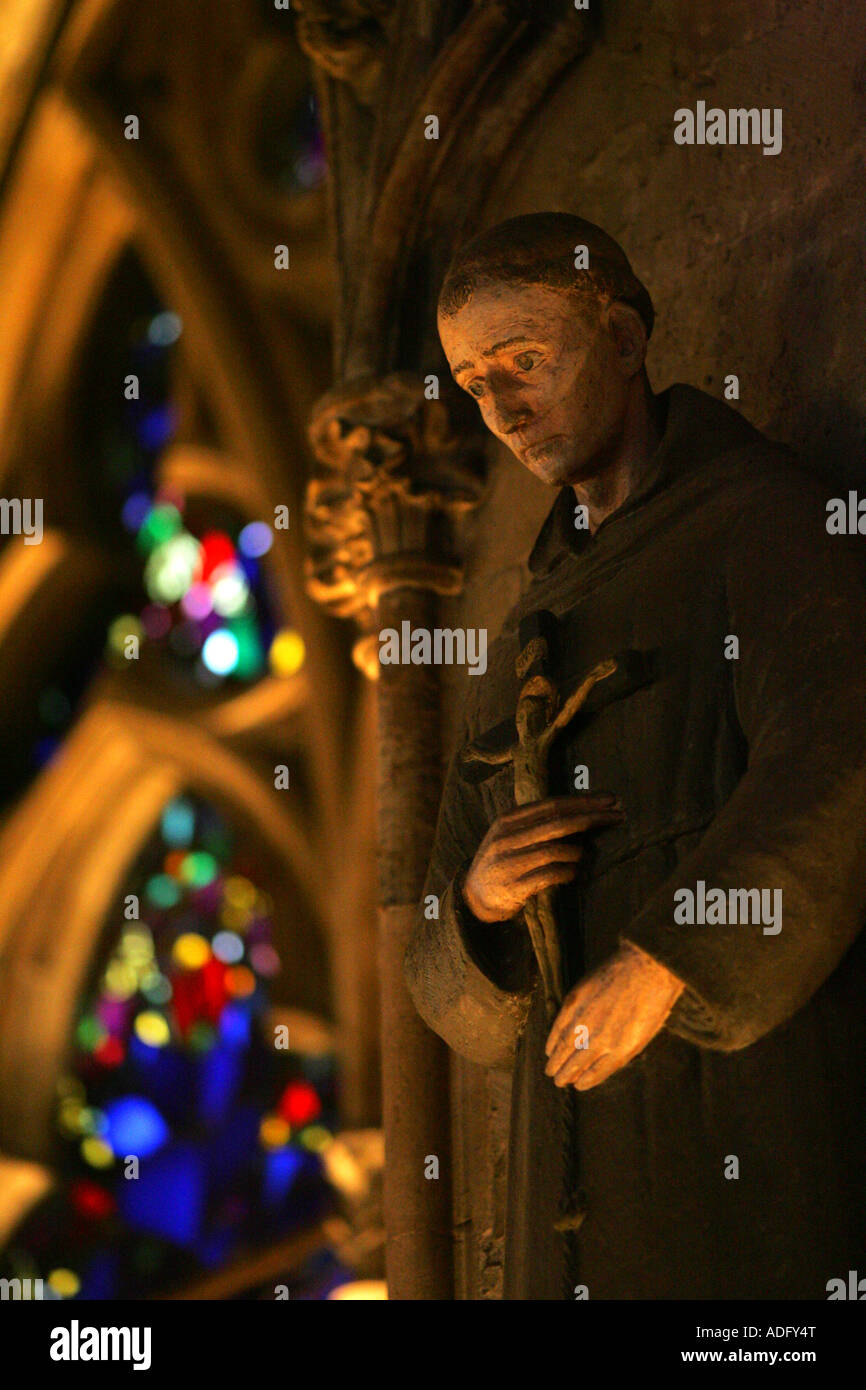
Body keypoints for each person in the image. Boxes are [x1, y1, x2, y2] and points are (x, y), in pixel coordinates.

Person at [404, 212, 866, 1299]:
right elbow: (435, 959)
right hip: (568, 1134)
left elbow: (836, 752)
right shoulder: (528, 623)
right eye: (475, 383)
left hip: (741, 1094)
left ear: (619, 336)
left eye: (524, 361)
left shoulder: (763, 518)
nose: (503, 409)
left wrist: (668, 956)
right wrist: (475, 902)